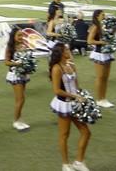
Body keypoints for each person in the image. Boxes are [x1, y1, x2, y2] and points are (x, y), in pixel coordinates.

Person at [49, 43, 91, 171]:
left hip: (75, 103)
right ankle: (65, 164)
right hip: (64, 105)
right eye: (66, 49)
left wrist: (82, 96)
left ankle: (78, 161)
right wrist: (74, 95)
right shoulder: (56, 68)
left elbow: (76, 85)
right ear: (61, 53)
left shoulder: (71, 65)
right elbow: (57, 90)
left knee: (86, 132)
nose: (69, 50)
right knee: (64, 134)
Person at [3, 27, 31, 131]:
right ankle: (15, 121)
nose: (21, 37)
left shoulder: (24, 45)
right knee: (20, 99)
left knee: (22, 99)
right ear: (13, 36)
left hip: (23, 74)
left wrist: (29, 65)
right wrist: (16, 63)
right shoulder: (10, 47)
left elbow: (29, 59)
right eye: (18, 35)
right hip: (15, 74)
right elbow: (6, 62)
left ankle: (20, 119)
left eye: (22, 35)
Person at [86, 10, 114, 108]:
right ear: (97, 16)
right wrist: (102, 42)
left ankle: (104, 98)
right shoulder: (95, 27)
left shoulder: (104, 26)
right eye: (102, 14)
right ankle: (99, 99)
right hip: (99, 53)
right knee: (100, 77)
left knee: (106, 77)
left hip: (107, 53)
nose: (104, 16)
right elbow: (89, 41)